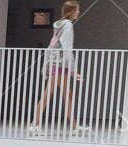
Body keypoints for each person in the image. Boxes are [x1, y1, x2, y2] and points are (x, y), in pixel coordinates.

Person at [27, 2, 88, 138]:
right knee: (49, 94)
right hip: (60, 65)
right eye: (77, 10)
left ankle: (74, 126)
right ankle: (34, 125)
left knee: (67, 94)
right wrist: (73, 70)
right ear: (71, 11)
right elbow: (67, 47)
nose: (78, 12)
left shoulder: (60, 24)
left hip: (58, 64)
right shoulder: (67, 25)